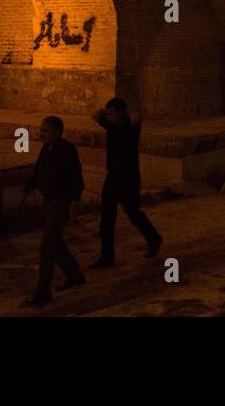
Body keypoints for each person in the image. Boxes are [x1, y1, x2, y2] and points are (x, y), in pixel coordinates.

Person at [90, 98, 162, 269]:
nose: (109, 117)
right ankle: (107, 256)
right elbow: (95, 114)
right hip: (112, 176)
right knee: (107, 218)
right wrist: (107, 114)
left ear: (121, 113)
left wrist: (127, 116)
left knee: (133, 213)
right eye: (108, 114)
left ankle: (154, 238)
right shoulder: (110, 125)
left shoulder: (130, 128)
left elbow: (138, 117)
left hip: (128, 177)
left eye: (112, 114)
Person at [22, 116, 85, 306]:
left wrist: (75, 201)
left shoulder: (67, 150)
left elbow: (76, 177)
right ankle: (74, 275)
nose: (41, 134)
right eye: (41, 130)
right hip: (49, 202)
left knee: (48, 247)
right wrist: (29, 188)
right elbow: (39, 170)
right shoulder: (46, 149)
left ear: (57, 132)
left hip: (61, 202)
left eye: (45, 130)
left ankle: (43, 292)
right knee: (55, 243)